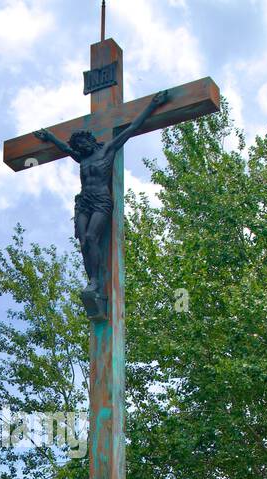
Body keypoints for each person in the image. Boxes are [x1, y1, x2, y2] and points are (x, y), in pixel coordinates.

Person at [34, 89, 171, 316]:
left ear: (89, 141)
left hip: (101, 200)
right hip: (84, 202)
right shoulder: (82, 157)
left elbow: (132, 128)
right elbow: (65, 149)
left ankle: (96, 281)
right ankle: (92, 280)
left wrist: (153, 105)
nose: (79, 148)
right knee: (84, 243)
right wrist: (49, 137)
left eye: (81, 144)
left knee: (91, 237)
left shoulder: (107, 149)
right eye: (77, 146)